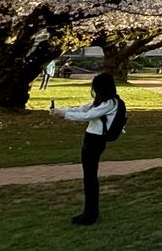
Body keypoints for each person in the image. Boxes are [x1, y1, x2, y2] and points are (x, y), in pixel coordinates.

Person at [49, 72, 121, 226]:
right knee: (88, 177)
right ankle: (89, 212)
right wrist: (61, 111)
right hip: (90, 138)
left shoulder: (110, 103)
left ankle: (91, 213)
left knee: (90, 178)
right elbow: (82, 109)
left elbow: (87, 116)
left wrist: (64, 115)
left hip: (96, 140)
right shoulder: (100, 101)